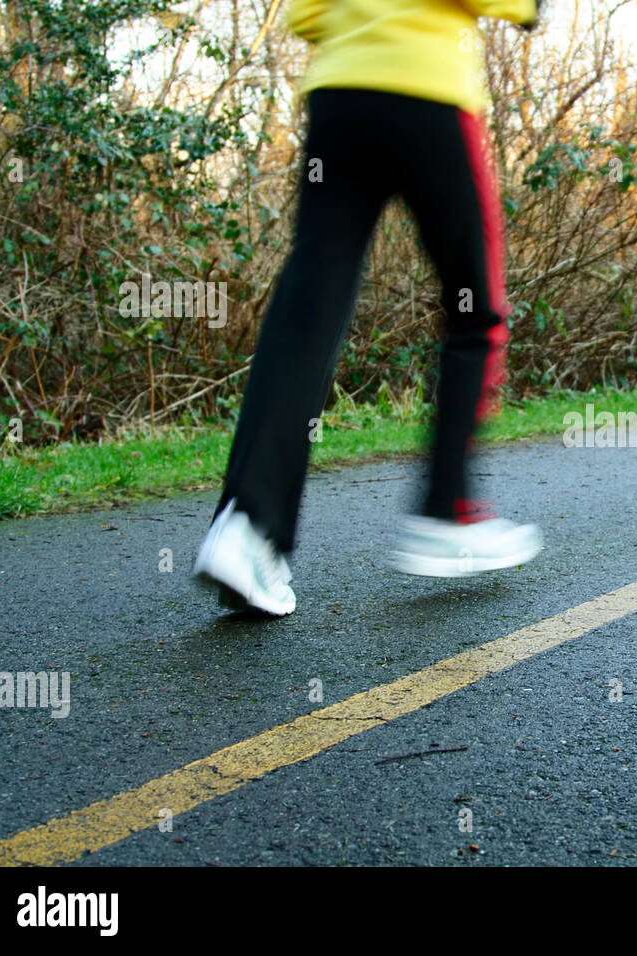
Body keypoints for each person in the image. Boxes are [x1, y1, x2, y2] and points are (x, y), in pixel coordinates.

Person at [193, 0, 544, 616]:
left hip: (340, 93)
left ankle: (248, 526)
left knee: (309, 305)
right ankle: (449, 511)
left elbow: (303, 15)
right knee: (476, 309)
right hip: (429, 86)